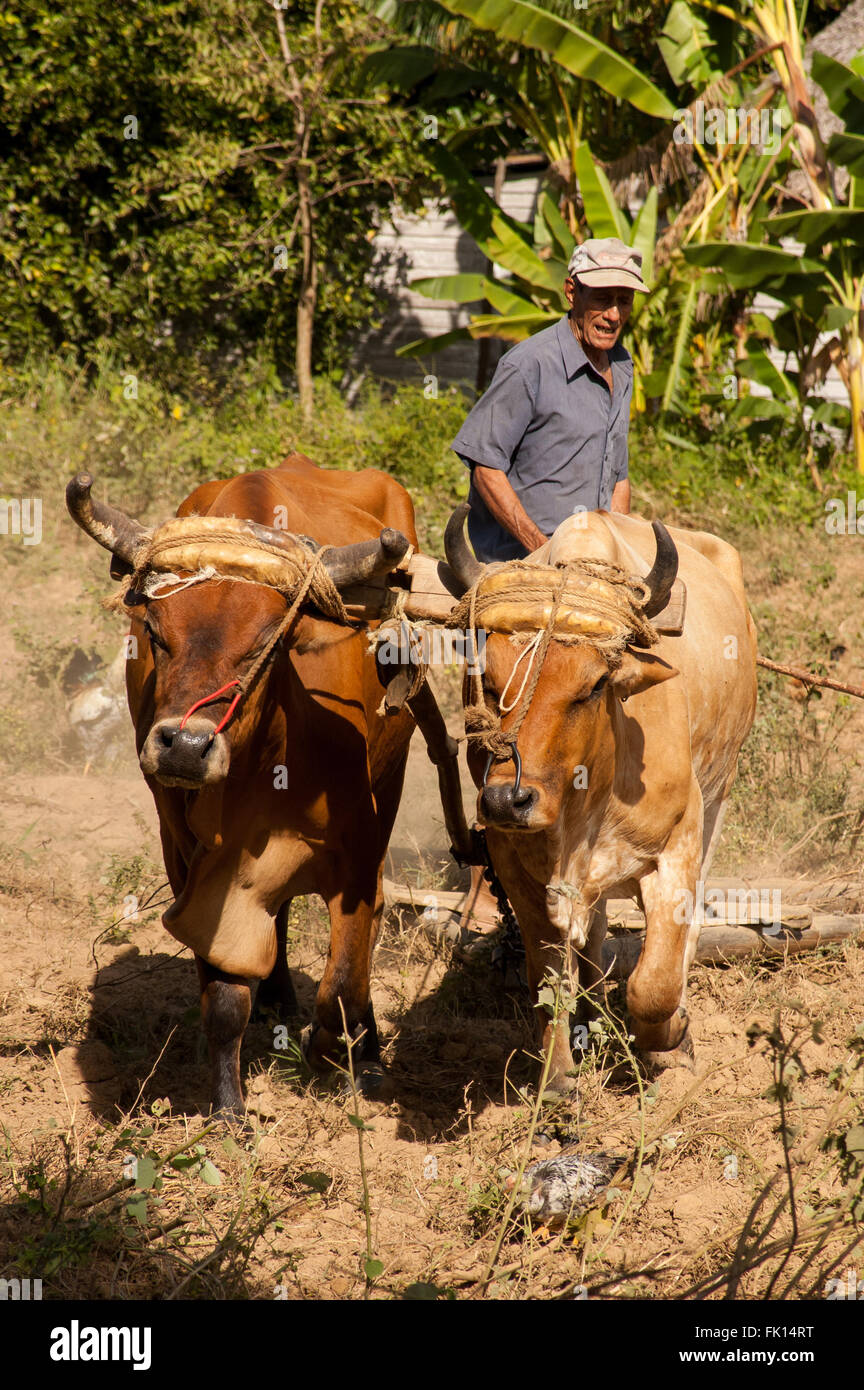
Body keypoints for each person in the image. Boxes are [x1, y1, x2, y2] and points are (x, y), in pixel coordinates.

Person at [451, 236, 649, 563]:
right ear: (572, 293)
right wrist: (543, 549)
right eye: (602, 299)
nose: (614, 315)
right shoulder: (530, 365)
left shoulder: (621, 366)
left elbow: (619, 476)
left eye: (624, 301)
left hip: (593, 562)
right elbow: (486, 468)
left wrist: (617, 553)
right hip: (522, 561)